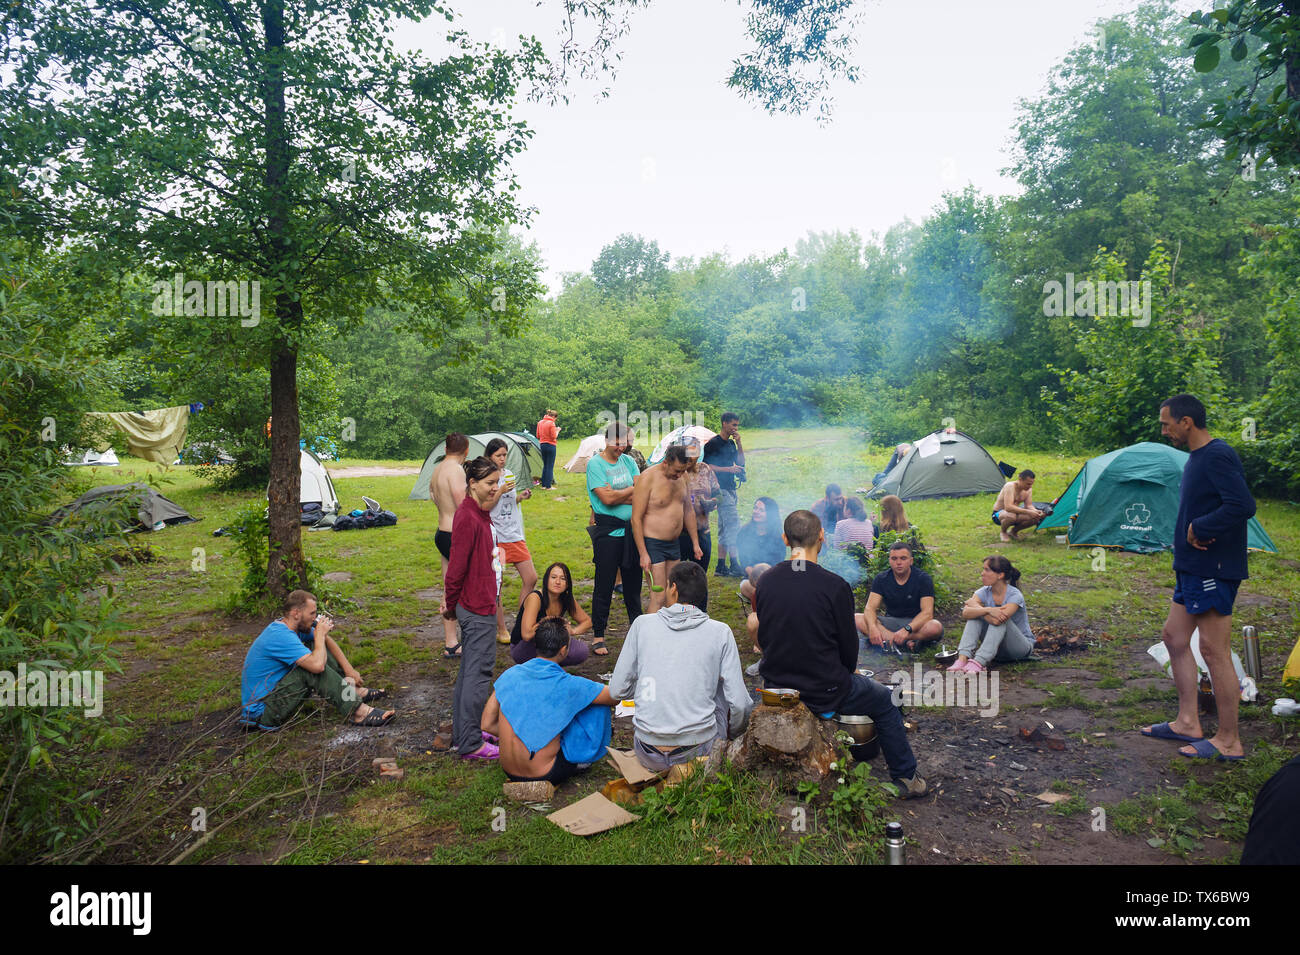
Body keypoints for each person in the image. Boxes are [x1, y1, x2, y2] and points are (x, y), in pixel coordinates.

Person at [756, 511, 926, 797]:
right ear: (822, 536)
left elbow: (765, 637)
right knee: (885, 699)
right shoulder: (834, 586)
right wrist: (847, 673)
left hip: (776, 686)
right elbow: (849, 650)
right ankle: (907, 779)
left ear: (785, 539)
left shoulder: (766, 581)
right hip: (824, 690)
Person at [1140, 394, 1255, 762]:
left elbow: (1241, 505)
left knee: (1213, 651)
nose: (1164, 430)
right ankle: (1188, 721)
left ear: (1186, 421)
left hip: (1213, 569)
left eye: (1166, 423)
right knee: (1174, 638)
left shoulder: (1218, 454)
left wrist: (1200, 527)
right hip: (1191, 567)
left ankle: (1229, 739)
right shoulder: (1197, 458)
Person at [609, 562, 753, 773]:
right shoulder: (720, 632)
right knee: (722, 688)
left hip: (648, 753)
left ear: (673, 589)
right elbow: (740, 705)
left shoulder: (641, 625)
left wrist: (644, 687)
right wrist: (735, 733)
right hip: (699, 751)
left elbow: (616, 690)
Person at [482, 618, 615, 783]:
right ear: (564, 650)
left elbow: (486, 724)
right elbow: (614, 696)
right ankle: (582, 758)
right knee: (597, 704)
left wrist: (522, 732)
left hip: (509, 770)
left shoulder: (510, 674)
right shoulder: (569, 683)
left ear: (536, 645)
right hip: (546, 772)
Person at [240, 590, 395, 730]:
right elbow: (318, 666)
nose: (315, 618)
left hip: (274, 699)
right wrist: (320, 634)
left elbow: (326, 641)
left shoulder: (289, 627)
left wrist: (349, 670)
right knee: (310, 669)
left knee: (316, 643)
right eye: (312, 613)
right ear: (296, 613)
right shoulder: (280, 636)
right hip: (262, 714)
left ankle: (351, 691)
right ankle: (359, 712)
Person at [444, 455, 505, 761]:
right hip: (476, 606)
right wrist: (452, 605)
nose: (496, 488)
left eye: (498, 482)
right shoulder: (467, 517)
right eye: (490, 483)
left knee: (469, 673)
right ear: (472, 484)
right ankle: (470, 744)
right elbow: (455, 568)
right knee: (479, 675)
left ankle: (463, 734)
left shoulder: (478, 512)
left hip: (481, 602)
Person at [586, 422, 643, 656]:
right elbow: (605, 500)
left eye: (625, 443)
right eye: (618, 443)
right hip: (607, 534)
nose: (622, 447)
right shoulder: (595, 465)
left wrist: (616, 494)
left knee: (633, 585)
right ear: (608, 441)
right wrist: (627, 492)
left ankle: (637, 631)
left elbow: (640, 492)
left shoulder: (629, 461)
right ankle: (598, 635)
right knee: (604, 584)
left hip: (632, 532)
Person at [632, 444, 701, 613]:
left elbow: (688, 511)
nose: (679, 475)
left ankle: (669, 635)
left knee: (673, 594)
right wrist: (643, 554)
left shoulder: (683, 476)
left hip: (673, 543)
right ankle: (648, 637)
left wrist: (695, 543)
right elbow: (636, 519)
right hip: (653, 543)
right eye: (677, 470)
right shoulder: (647, 478)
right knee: (659, 596)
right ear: (666, 462)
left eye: (683, 470)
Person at [484, 437, 537, 645]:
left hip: (515, 535)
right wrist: (499, 491)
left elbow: (510, 501)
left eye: (505, 455)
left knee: (531, 578)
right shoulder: (486, 478)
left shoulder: (509, 475)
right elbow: (485, 506)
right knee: (496, 586)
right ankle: (501, 628)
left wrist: (521, 496)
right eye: (499, 455)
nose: (503, 459)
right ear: (490, 456)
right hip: (497, 538)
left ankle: (522, 623)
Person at [949, 555, 1035, 672]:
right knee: (975, 616)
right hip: (997, 649)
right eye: (983, 569)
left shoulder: (1015, 595)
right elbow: (966, 613)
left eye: (987, 570)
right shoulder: (983, 592)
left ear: (1000, 575)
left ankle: (979, 661)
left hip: (1019, 648)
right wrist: (987, 610)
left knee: (1000, 619)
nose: (982, 573)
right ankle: (962, 658)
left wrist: (978, 608)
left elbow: (997, 620)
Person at [857, 540, 944, 652]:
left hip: (916, 624)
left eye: (903, 558)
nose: (898, 562)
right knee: (857, 619)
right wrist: (873, 628)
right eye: (894, 559)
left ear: (911, 561)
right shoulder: (881, 578)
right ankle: (902, 642)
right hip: (890, 621)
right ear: (889, 561)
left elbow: (927, 613)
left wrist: (907, 630)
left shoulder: (923, 578)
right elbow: (870, 608)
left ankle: (892, 641)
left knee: (935, 627)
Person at [430, 432, 470, 658]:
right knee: (464, 587)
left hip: (442, 531)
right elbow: (462, 504)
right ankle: (468, 636)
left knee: (449, 588)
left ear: (445, 449)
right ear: (466, 451)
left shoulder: (437, 469)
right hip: (455, 535)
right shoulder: (455, 470)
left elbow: (434, 496)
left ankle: (451, 642)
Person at [510, 562, 593, 666]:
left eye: (563, 578)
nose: (558, 582)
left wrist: (572, 631)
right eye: (553, 577)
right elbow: (526, 635)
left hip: (550, 642)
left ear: (567, 584)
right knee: (551, 651)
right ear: (546, 580)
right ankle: (543, 668)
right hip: (525, 646)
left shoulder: (566, 598)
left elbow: (588, 621)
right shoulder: (535, 598)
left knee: (581, 651)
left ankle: (548, 667)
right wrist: (545, 621)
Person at [704, 412, 746, 577]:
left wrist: (739, 443)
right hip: (718, 489)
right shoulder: (713, 444)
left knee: (723, 528)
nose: (735, 428)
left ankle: (721, 566)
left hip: (730, 488)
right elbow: (706, 466)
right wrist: (728, 469)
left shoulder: (731, 444)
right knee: (733, 526)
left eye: (737, 425)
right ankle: (735, 565)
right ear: (724, 423)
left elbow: (741, 462)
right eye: (733, 425)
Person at [680, 437, 720, 570]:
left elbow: (719, 495)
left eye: (694, 453)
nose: (690, 458)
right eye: (687, 453)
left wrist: (713, 502)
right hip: (679, 534)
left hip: (703, 532)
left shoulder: (705, 469)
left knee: (699, 574)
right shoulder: (675, 473)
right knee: (677, 577)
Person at [737, 496, 785, 586]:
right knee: (745, 586)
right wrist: (753, 574)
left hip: (771, 576)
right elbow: (743, 560)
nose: (756, 512)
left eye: (761, 510)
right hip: (750, 577)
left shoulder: (778, 535)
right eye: (755, 508)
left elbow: (779, 561)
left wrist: (765, 575)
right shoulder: (744, 532)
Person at [992, 469, 1044, 542]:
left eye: (1032, 484)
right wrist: (1029, 512)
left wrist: (1035, 511)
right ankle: (1003, 532)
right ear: (1020, 480)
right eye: (1028, 484)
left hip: (1015, 513)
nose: (1030, 486)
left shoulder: (1028, 489)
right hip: (999, 514)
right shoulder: (1010, 486)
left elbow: (1029, 505)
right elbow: (1008, 507)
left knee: (1036, 517)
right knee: (1011, 515)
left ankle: (1013, 531)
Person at [537, 410, 560, 488]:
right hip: (550, 445)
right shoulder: (551, 423)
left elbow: (537, 435)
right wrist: (557, 430)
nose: (555, 420)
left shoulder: (540, 422)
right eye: (555, 418)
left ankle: (543, 485)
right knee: (550, 466)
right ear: (553, 416)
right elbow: (554, 436)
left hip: (542, 445)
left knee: (545, 465)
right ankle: (548, 486)